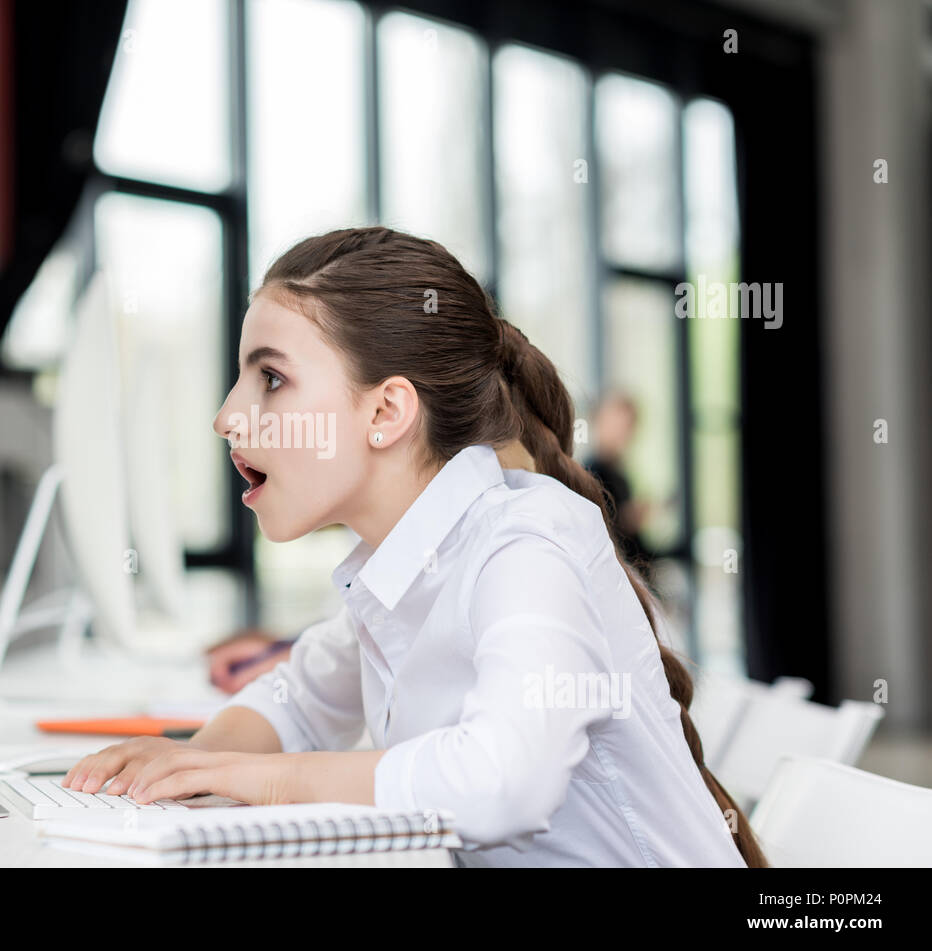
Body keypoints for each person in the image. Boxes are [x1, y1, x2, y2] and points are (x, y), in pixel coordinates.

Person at [63, 226, 766, 866]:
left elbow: (502, 782)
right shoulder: (398, 562)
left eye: (270, 378)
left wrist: (259, 780)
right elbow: (301, 698)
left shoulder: (524, 544)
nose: (226, 416)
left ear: (387, 411)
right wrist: (184, 767)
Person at [582, 390, 652, 584]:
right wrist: (627, 519)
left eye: (628, 426)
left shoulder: (620, 475)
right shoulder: (590, 473)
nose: (623, 433)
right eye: (617, 425)